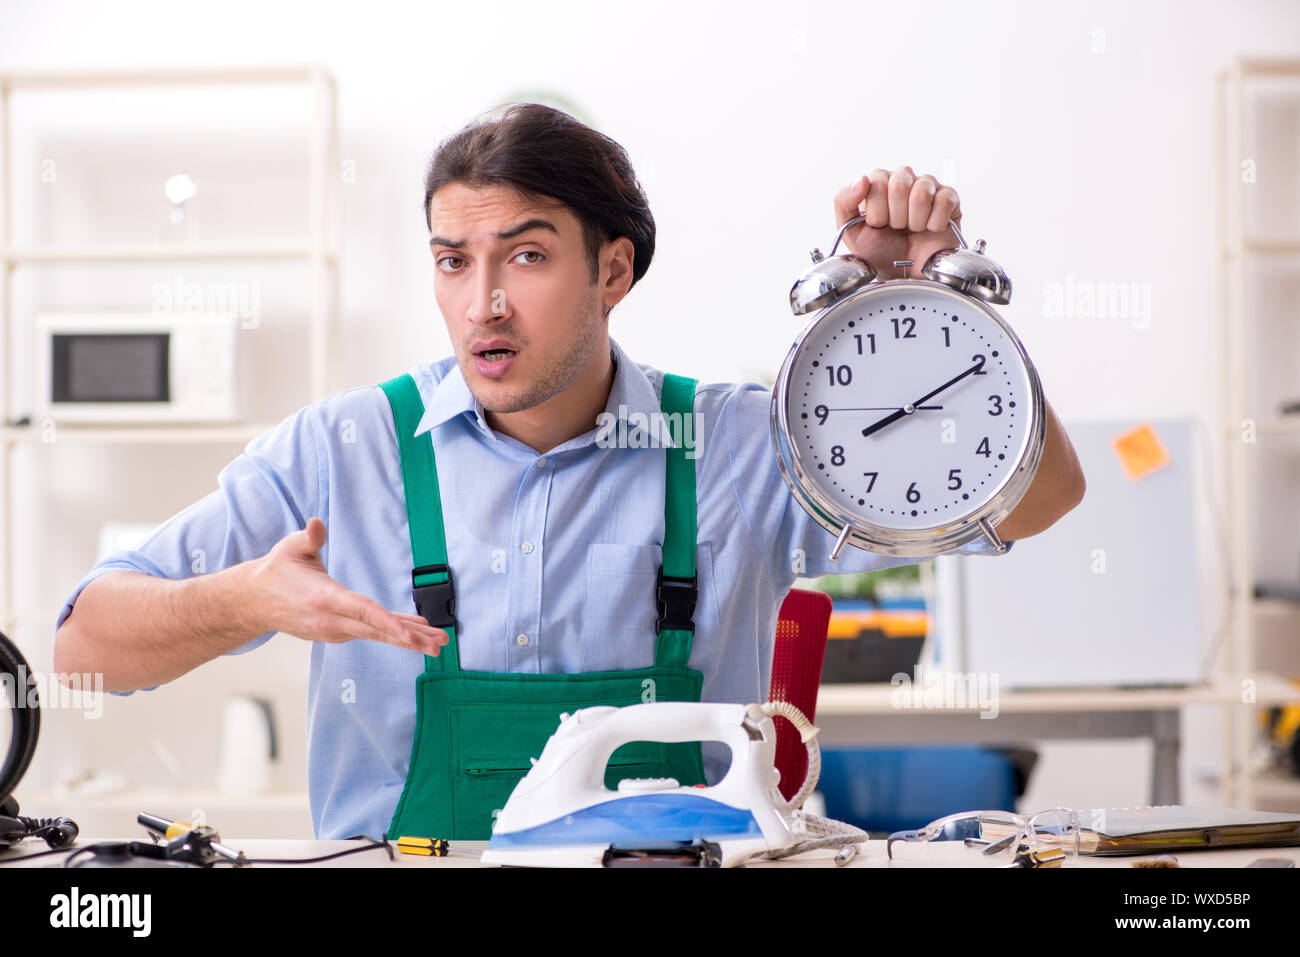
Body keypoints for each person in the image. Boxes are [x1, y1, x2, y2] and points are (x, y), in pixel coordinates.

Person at [53, 103, 1086, 840]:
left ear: (613, 269)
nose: (482, 302)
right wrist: (241, 598)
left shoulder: (742, 445)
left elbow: (1043, 499)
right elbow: (86, 651)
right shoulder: (341, 453)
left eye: (526, 255)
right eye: (454, 259)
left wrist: (927, 310)